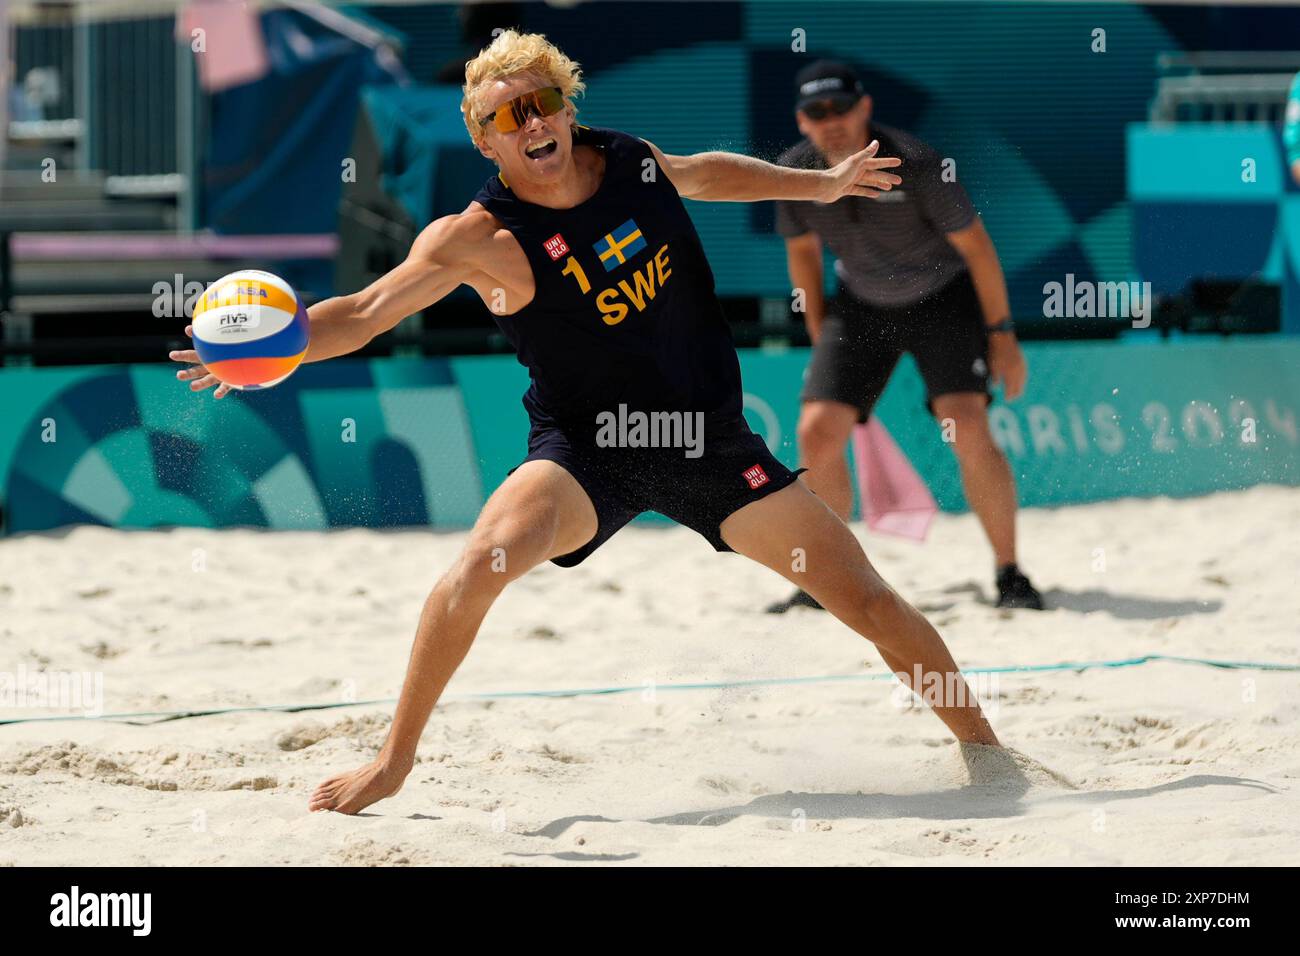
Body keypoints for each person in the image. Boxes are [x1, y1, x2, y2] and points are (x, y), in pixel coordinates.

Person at [170, 31, 1002, 815]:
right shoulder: (478, 238)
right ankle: (393, 762)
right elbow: (364, 310)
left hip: (705, 441)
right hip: (585, 453)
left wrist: (817, 185)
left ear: (568, 107)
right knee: (480, 565)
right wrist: (270, 352)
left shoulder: (632, 162)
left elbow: (704, 173)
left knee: (868, 601)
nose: (530, 122)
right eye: (506, 116)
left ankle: (990, 757)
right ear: (484, 140)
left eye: (542, 103)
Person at [767, 59, 1044, 613]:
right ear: (802, 121)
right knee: (817, 431)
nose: (832, 120)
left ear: (864, 107)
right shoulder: (794, 173)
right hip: (860, 304)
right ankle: (822, 580)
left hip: (942, 298)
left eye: (841, 107)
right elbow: (801, 253)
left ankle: (1010, 573)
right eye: (816, 111)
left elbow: (978, 249)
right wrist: (820, 326)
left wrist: (1003, 335)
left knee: (966, 425)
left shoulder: (918, 164)